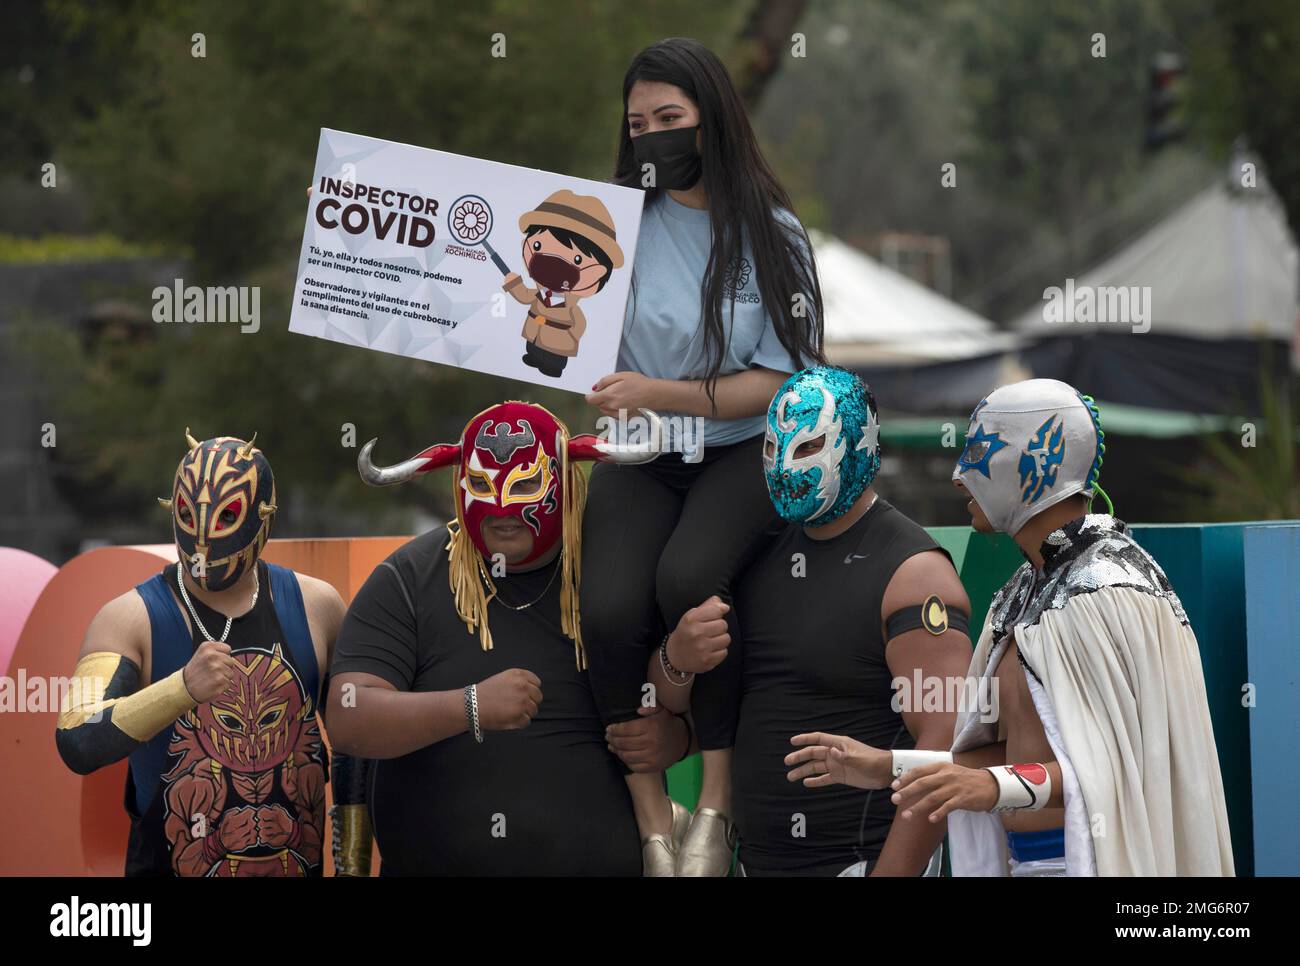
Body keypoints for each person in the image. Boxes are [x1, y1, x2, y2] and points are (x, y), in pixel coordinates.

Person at [791, 379, 1235, 876]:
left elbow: (1127, 767)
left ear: (1037, 458)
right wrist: (885, 767)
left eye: (979, 450)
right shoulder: (1022, 591)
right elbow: (1014, 755)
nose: (959, 475)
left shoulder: (1112, 589)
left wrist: (996, 788)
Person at [580, 36, 825, 876]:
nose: (651, 137)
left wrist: (658, 392)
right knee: (607, 607)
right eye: (637, 123)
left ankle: (717, 800)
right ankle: (654, 820)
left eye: (670, 119)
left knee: (690, 582)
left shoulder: (775, 234)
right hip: (640, 453)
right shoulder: (606, 223)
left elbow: (781, 384)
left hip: (740, 450)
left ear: (713, 118)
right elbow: (558, 328)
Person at [326, 401, 691, 875]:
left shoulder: (617, 575)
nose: (502, 509)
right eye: (482, 485)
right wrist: (470, 706)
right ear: (459, 483)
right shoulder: (408, 577)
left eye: (524, 486)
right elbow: (349, 716)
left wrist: (680, 738)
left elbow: (704, 699)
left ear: (563, 481)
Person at [652, 366, 972, 875]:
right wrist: (675, 658)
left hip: (858, 861)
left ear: (854, 443)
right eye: (771, 449)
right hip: (754, 862)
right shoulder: (751, 549)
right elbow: (679, 705)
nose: (782, 468)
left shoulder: (913, 572)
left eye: (804, 449)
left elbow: (945, 746)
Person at [55, 431, 351, 876]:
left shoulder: (317, 606)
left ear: (263, 517)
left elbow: (357, 744)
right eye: (188, 514)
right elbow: (77, 738)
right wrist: (181, 689)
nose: (202, 541)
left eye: (228, 515)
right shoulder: (129, 619)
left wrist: (354, 860)